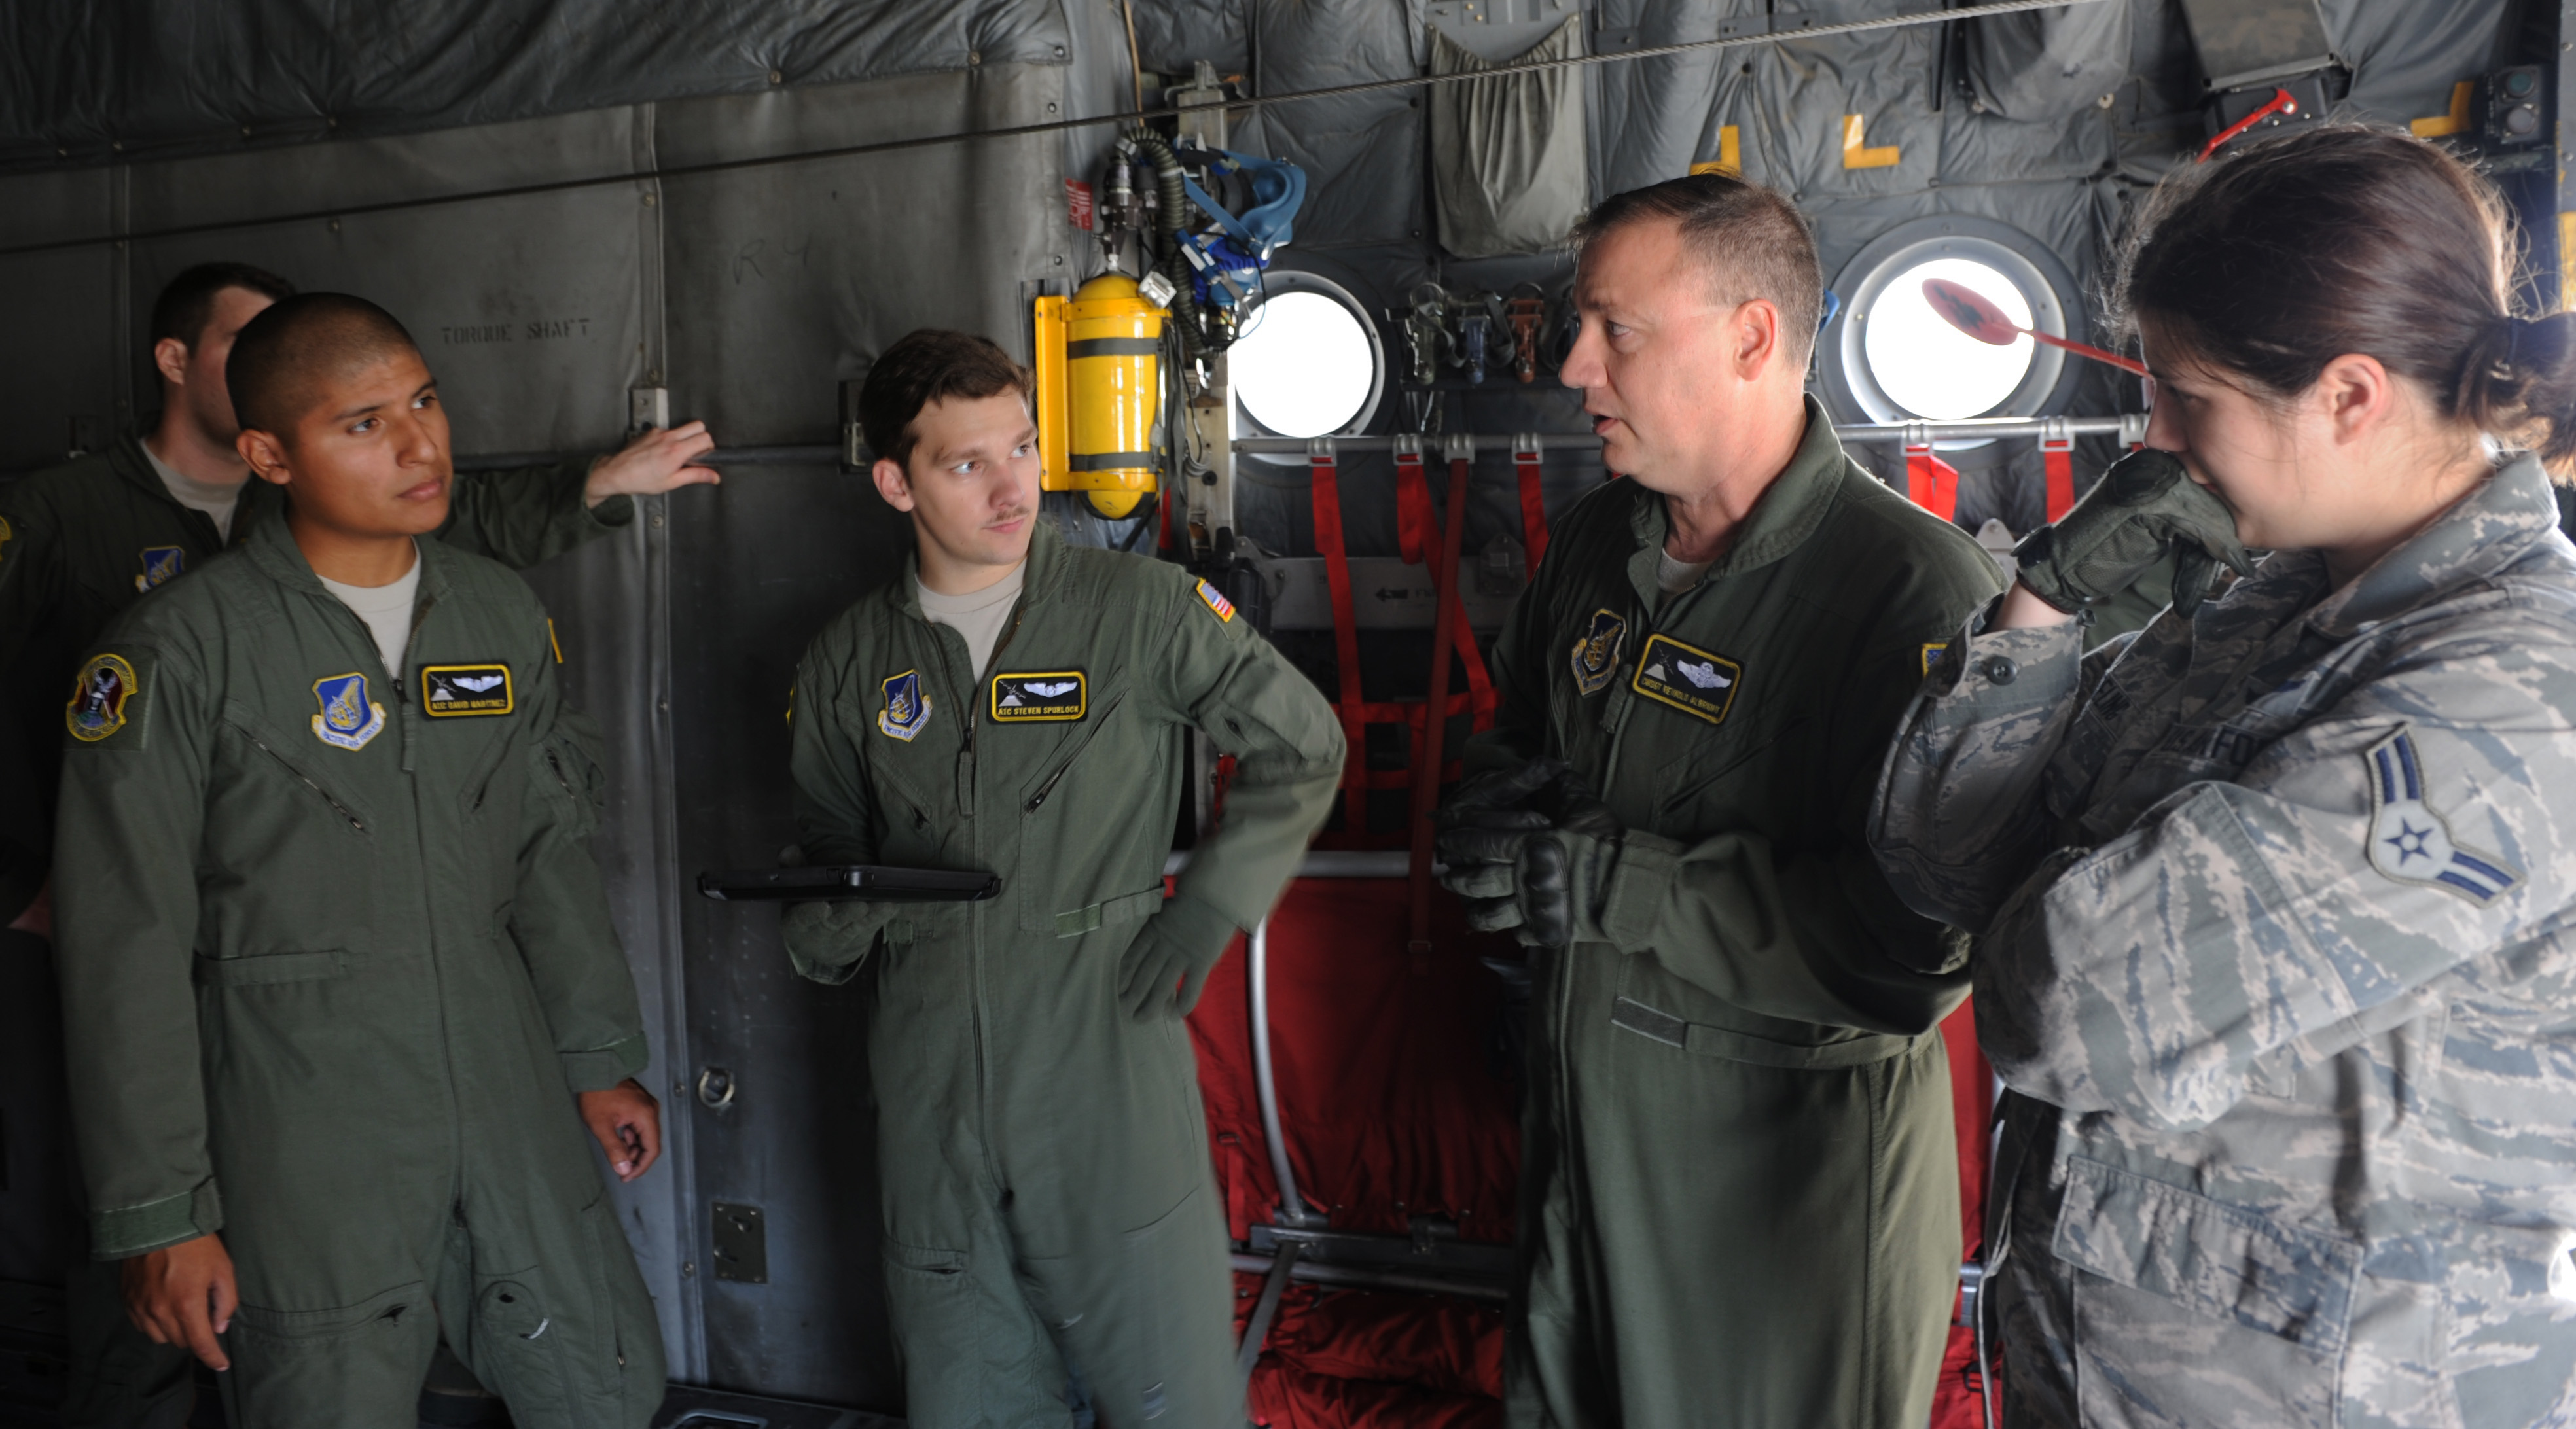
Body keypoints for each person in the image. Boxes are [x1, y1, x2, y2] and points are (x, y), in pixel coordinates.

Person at [1870, 125, 2576, 1427]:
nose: (2157, 438)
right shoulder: (2274, 601)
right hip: (2112, 1363)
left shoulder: (2517, 699)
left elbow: (2063, 1005)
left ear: (2350, 396)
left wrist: (2048, 897)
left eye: (2189, 400)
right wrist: (2040, 606)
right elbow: (1939, 867)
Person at [0, 260, 713, 1429]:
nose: (419, 446)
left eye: (423, 402)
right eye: (364, 423)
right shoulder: (180, 655)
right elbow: (125, 946)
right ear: (273, 457)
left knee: (602, 1381)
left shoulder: (494, 615)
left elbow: (544, 853)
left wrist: (593, 1056)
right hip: (298, 1112)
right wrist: (161, 1214)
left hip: (500, 1084)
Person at [1433, 173, 2005, 1426]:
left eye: (1616, 331)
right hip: (1580, 1158)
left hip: (1773, 1215)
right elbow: (1516, 742)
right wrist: (1486, 832)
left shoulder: (1910, 592)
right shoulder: (1596, 544)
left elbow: (1911, 953)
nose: (1577, 368)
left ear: (1753, 337)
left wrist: (1606, 885)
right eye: (1579, 328)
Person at [780, 329, 1342, 1427]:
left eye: (1024, 448)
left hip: (1102, 1050)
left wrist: (1210, 912)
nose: (1012, 488)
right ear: (895, 482)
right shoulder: (847, 662)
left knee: (1171, 1390)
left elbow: (1302, 743)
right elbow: (825, 858)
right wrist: (836, 919)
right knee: (967, 1386)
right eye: (966, 463)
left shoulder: (1138, 611)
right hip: (930, 1079)